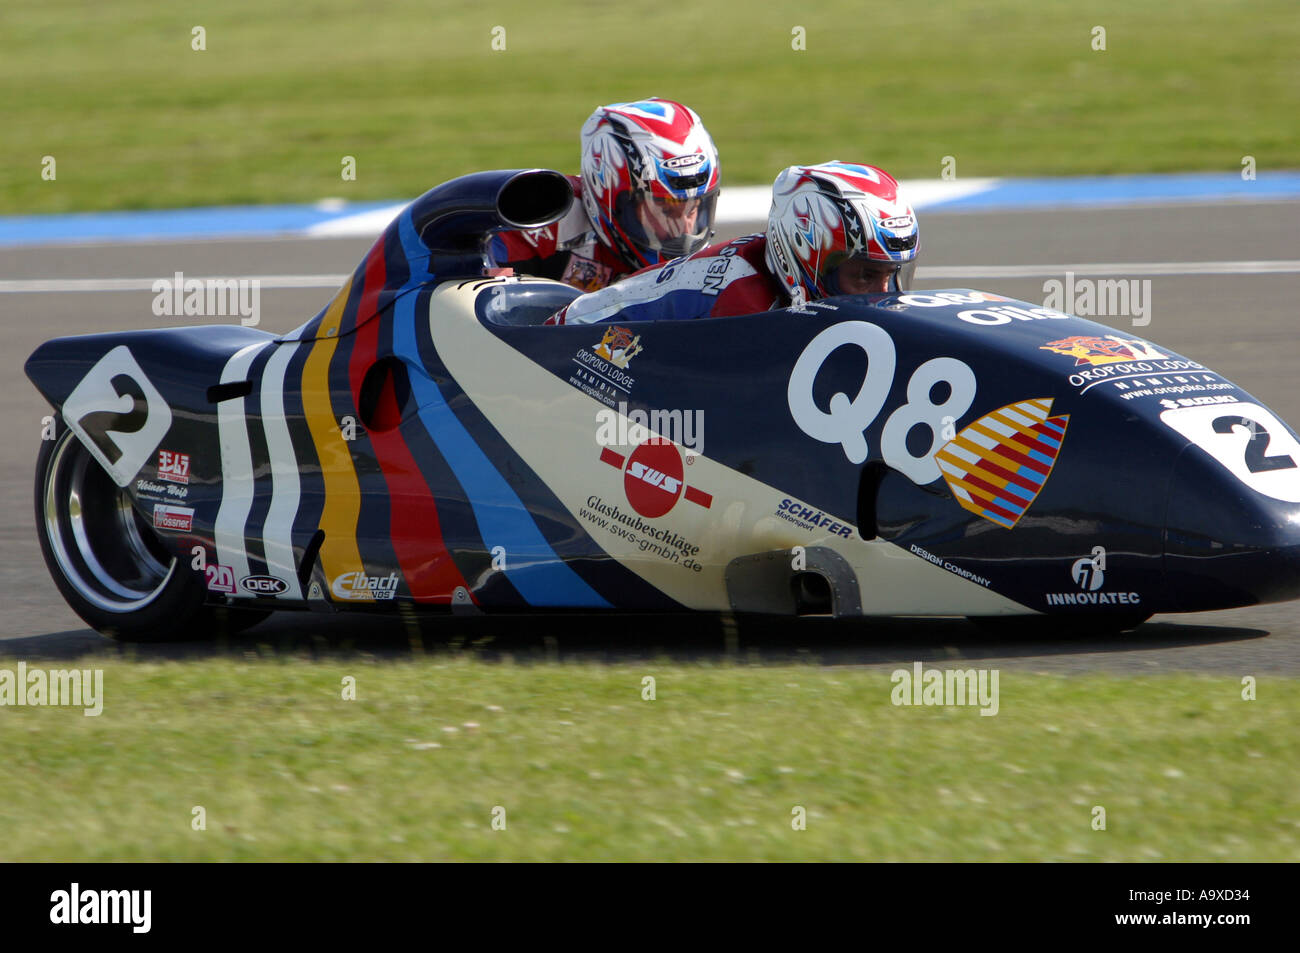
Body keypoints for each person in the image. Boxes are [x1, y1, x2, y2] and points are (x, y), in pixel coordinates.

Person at [545, 161, 919, 325]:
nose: (883, 292)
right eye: (866, 276)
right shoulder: (744, 302)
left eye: (892, 274)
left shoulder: (788, 291)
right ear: (808, 256)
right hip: (564, 357)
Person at [489, 99, 720, 292]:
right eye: (664, 209)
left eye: (692, 208)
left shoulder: (714, 268)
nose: (683, 230)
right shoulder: (539, 222)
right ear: (607, 195)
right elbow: (486, 304)